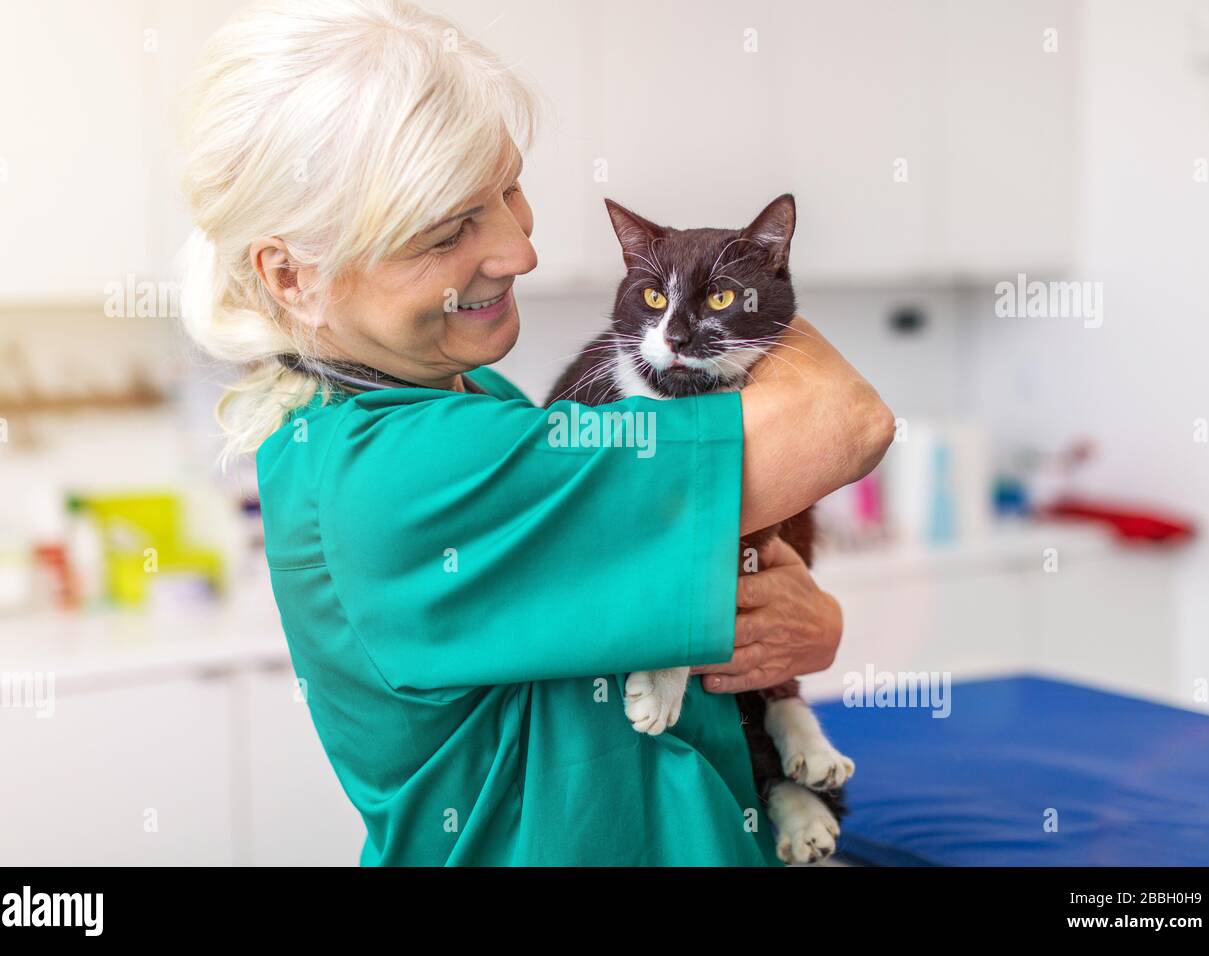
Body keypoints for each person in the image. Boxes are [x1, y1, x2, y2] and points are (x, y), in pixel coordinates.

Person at [179, 0, 894, 865]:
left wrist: (792, 630)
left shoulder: (458, 393)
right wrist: (751, 275)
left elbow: (633, 605)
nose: (521, 250)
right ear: (292, 275)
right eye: (448, 230)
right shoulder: (417, 466)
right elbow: (845, 419)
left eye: (509, 191)